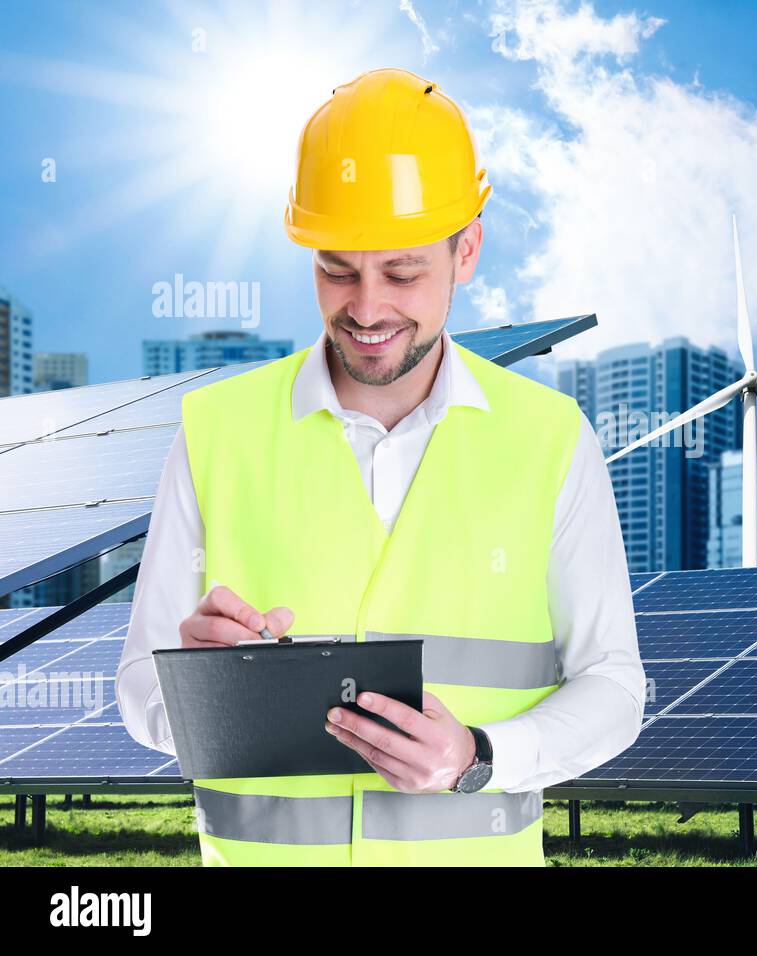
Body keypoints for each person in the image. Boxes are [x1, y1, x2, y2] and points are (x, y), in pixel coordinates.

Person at [116, 67, 644, 866]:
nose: (365, 309)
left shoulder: (552, 439)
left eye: (402, 273)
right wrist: (199, 693)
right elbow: (139, 690)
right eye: (337, 270)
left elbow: (614, 687)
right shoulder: (214, 432)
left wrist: (479, 757)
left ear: (467, 251)